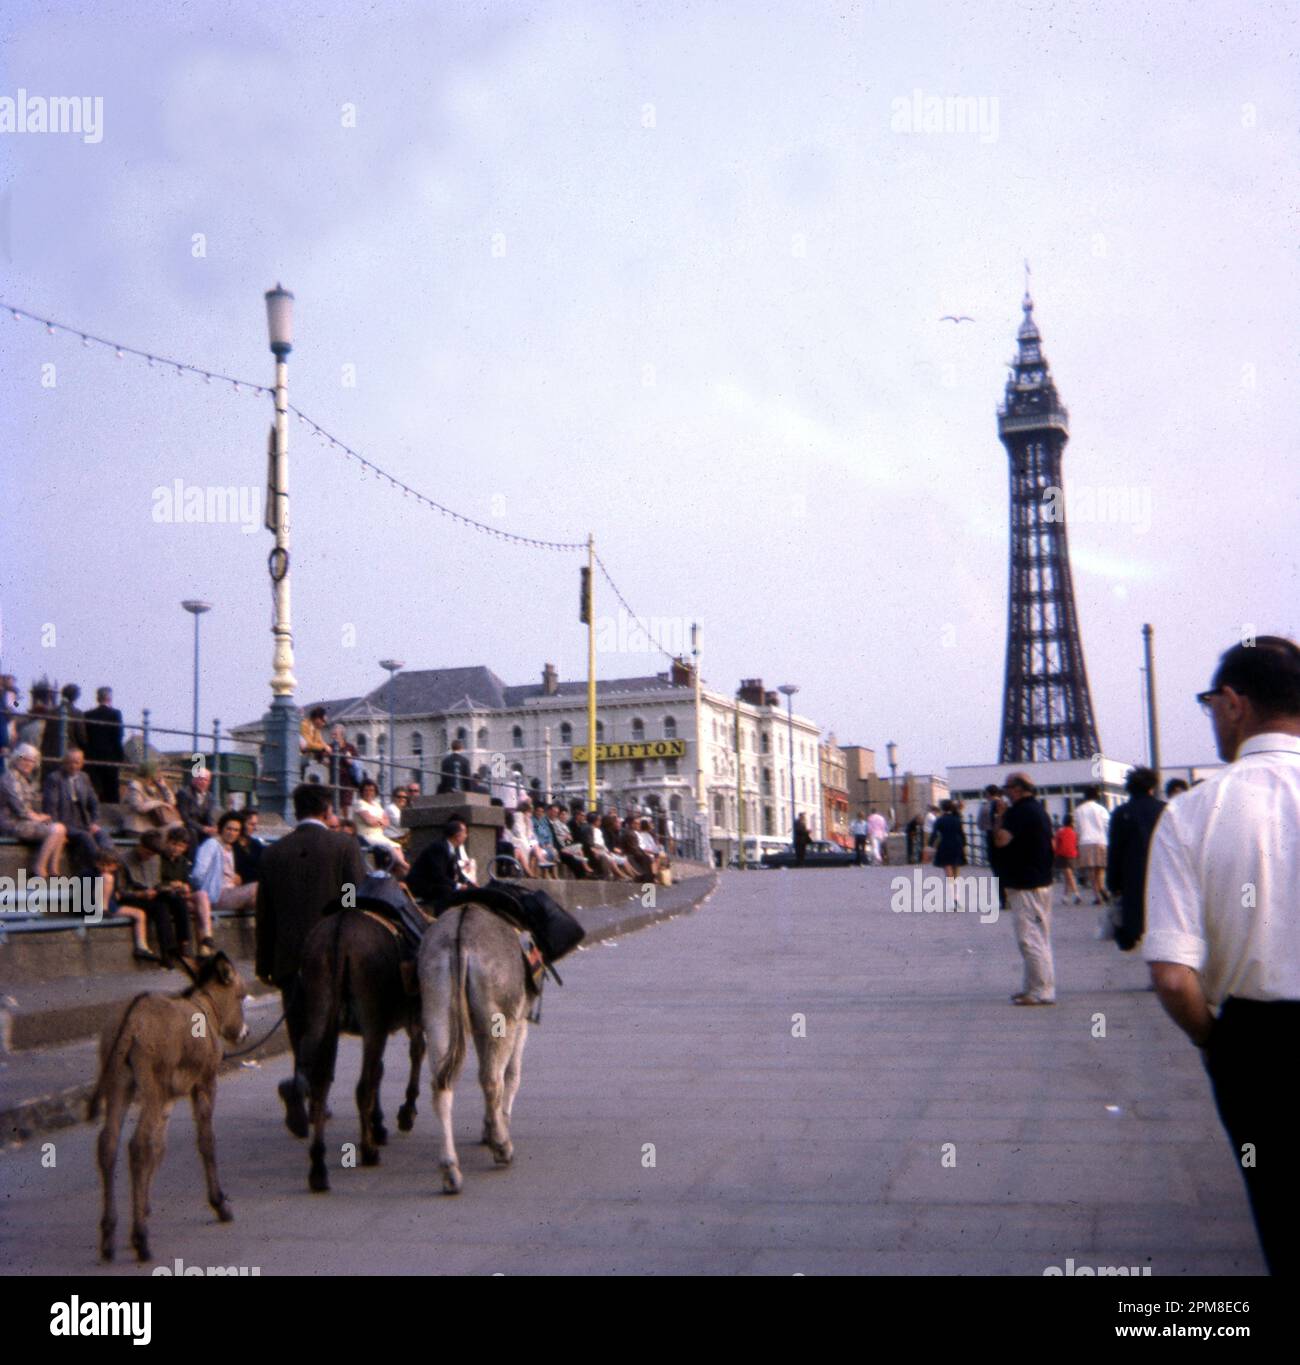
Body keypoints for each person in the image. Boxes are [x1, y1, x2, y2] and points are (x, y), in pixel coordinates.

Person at [1143, 636, 1300, 1276]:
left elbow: (1173, 976)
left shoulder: (1192, 814)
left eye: (1210, 703)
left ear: (1234, 703)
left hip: (1260, 1047)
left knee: (1282, 1211)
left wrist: (1218, 1041)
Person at [256, 782, 368, 1138]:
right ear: (326, 811)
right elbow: (353, 901)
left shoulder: (273, 853)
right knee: (327, 1025)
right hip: (332, 954)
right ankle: (311, 1088)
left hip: (288, 956)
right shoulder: (344, 846)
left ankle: (304, 1084)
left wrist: (265, 964)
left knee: (299, 1024)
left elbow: (265, 914)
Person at [992, 772, 1056, 1006]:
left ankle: (1040, 991)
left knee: (1029, 939)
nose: (1005, 792)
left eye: (1007, 787)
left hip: (1025, 882)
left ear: (1018, 788)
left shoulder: (1018, 812)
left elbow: (1001, 840)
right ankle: (1036, 986)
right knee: (1040, 937)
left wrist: (1000, 817)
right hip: (1040, 880)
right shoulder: (1038, 809)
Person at [1105, 767, 1164, 952]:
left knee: (1138, 923)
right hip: (1162, 876)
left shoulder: (1121, 813)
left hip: (1132, 877)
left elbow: (1115, 851)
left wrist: (1113, 884)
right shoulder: (1165, 810)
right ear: (1152, 787)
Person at [117, 828, 190, 966]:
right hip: (133, 896)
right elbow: (120, 890)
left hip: (151, 893)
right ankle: (167, 953)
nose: (148, 857)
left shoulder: (155, 858)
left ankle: (183, 944)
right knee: (160, 908)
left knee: (177, 901)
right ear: (140, 846)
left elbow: (156, 882)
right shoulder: (124, 860)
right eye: (147, 853)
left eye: (152, 855)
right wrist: (140, 894)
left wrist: (168, 887)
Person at [41, 747, 115, 872]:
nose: (73, 766)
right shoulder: (54, 778)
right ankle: (99, 869)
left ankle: (110, 864)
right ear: (64, 762)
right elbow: (50, 807)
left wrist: (94, 823)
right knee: (85, 837)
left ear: (82, 763)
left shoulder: (84, 777)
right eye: (70, 762)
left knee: (103, 835)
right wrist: (58, 828)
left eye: (77, 762)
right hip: (65, 823)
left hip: (83, 823)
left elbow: (94, 803)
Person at [190, 811, 257, 949]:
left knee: (263, 901)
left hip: (231, 892)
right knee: (259, 887)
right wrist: (204, 891)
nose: (232, 833)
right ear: (221, 828)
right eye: (229, 828)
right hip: (217, 895)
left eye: (236, 830)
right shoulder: (212, 844)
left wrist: (236, 878)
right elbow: (197, 874)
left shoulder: (230, 848)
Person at [0, 743, 67, 875]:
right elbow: (20, 809)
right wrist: (39, 818)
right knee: (56, 829)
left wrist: (41, 817)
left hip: (26, 821)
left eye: (31, 761)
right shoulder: (9, 778)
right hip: (12, 823)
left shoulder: (25, 780)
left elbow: (31, 803)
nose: (28, 764)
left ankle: (53, 868)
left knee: (61, 828)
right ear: (16, 759)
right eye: (24, 759)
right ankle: (39, 866)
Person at [408, 818, 475, 910]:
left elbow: (457, 873)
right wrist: (458, 885)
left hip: (437, 883)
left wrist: (469, 883)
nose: (466, 836)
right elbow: (437, 875)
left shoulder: (451, 848)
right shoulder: (439, 847)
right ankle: (441, 918)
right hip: (422, 885)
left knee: (469, 890)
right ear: (457, 835)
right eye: (465, 832)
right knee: (446, 891)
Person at [83, 686, 126, 802]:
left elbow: (85, 736)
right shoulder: (115, 714)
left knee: (93, 787)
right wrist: (121, 756)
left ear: (97, 698)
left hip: (92, 756)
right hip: (110, 756)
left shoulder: (87, 714)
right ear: (110, 698)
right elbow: (118, 736)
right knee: (111, 788)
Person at [1073, 785, 1110, 905]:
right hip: (1101, 840)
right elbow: (1107, 825)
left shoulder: (1078, 810)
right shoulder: (1101, 809)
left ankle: (1097, 895)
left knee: (1091, 870)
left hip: (1085, 842)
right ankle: (1102, 887)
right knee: (1101, 868)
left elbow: (1076, 828)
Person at [124, 762, 180, 833]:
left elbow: (172, 802)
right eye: (157, 771)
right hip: (138, 828)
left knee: (178, 825)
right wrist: (160, 803)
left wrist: (164, 787)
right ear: (149, 773)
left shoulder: (158, 787)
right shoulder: (135, 785)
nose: (160, 774)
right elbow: (140, 807)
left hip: (154, 826)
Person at [353, 778, 402, 852]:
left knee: (398, 846)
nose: (369, 793)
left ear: (375, 792)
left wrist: (377, 820)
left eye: (371, 790)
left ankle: (403, 863)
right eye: (366, 790)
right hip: (366, 836)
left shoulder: (376, 804)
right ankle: (403, 864)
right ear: (362, 791)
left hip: (379, 835)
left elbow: (387, 822)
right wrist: (380, 821)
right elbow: (370, 821)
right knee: (391, 846)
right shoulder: (359, 803)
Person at [929, 799, 966, 896]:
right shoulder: (957, 819)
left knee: (948, 868)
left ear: (942, 808)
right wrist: (964, 845)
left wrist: (930, 845)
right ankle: (957, 894)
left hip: (945, 844)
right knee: (956, 869)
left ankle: (952, 894)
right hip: (957, 844)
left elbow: (934, 834)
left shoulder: (940, 820)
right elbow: (961, 833)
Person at [176, 769, 217, 849]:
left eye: (205, 780)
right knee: (193, 832)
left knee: (213, 835)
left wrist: (212, 827)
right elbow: (184, 817)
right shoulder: (184, 793)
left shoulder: (209, 796)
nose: (203, 782)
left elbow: (209, 816)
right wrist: (202, 828)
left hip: (201, 827)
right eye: (200, 779)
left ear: (209, 782)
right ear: (194, 780)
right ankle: (193, 859)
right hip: (186, 825)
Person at [1052, 811, 1081, 903]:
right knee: (1068, 876)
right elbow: (1076, 844)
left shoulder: (1060, 832)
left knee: (1068, 876)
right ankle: (1065, 897)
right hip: (1072, 854)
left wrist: (1055, 854)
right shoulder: (1074, 832)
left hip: (1062, 855)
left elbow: (1056, 844)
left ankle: (1077, 894)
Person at [234, 808, 266, 884]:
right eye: (251, 824)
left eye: (255, 824)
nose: (255, 828)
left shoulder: (256, 845)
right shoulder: (231, 846)